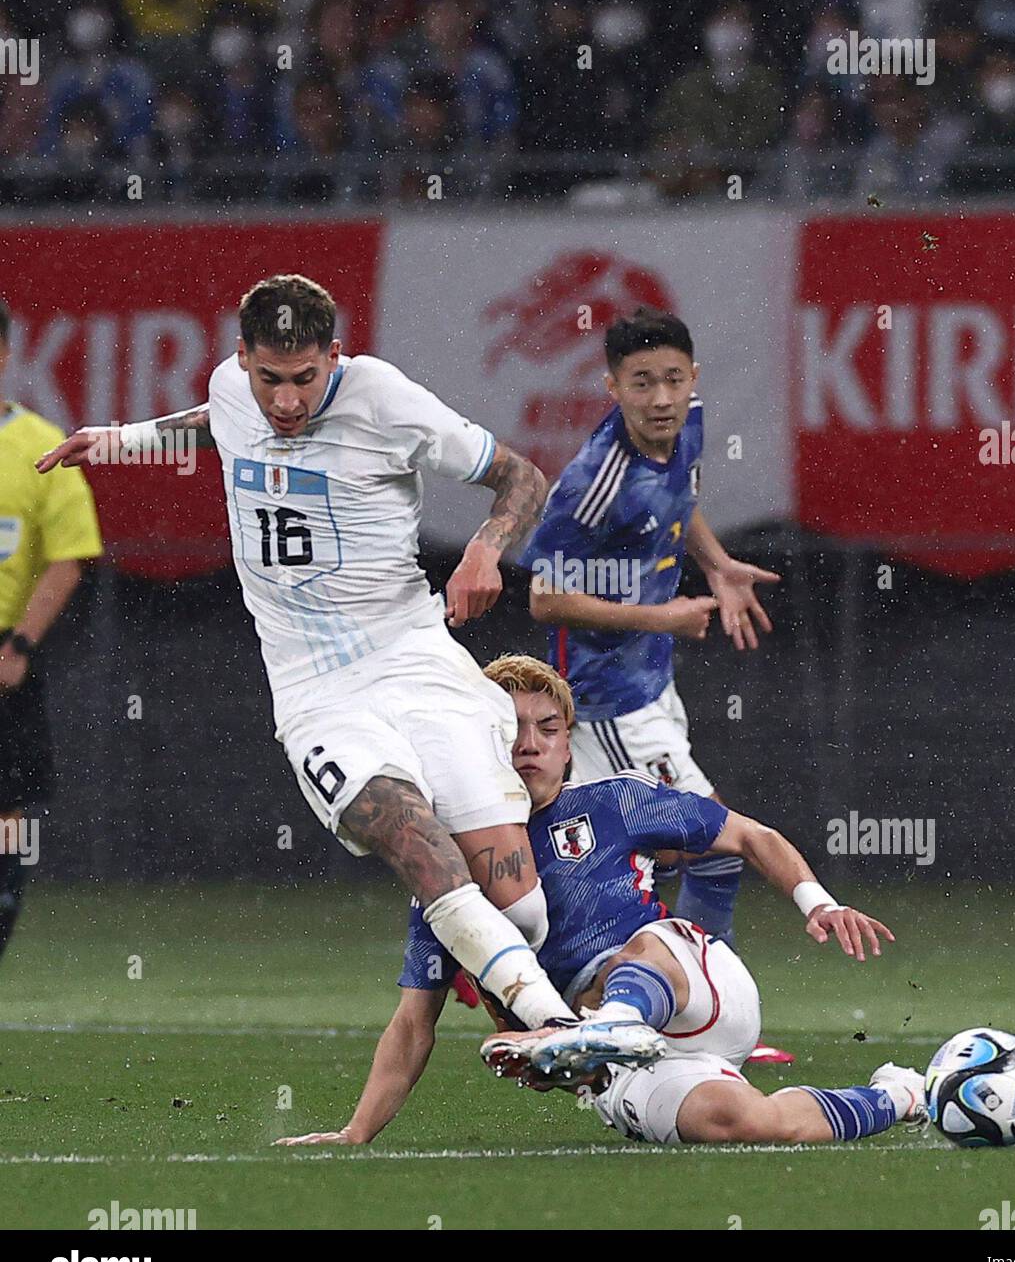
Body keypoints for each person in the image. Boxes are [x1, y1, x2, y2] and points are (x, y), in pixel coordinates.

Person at [35, 274, 654, 1070]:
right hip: (314, 691)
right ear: (241, 361)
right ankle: (554, 1026)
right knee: (410, 838)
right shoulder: (233, 389)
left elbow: (521, 477)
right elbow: (212, 422)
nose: (286, 401)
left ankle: (565, 998)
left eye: (304, 379)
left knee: (521, 907)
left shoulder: (386, 401)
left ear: (335, 355)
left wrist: (482, 549)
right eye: (269, 380)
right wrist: (120, 439)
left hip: (411, 654)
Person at [275, 655, 924, 1149]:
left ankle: (612, 1024)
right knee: (740, 1124)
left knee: (630, 957)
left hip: (693, 984)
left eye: (548, 728)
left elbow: (749, 835)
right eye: (509, 728)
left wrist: (817, 903)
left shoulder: (615, 800)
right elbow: (414, 1024)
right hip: (625, 1070)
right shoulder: (446, 878)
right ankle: (900, 1094)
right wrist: (354, 1132)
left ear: (567, 743)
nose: (528, 743)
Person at [516, 306, 790, 1064]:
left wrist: (717, 565)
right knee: (712, 845)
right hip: (602, 699)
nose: (661, 397)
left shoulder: (688, 423)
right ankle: (704, 1014)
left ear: (693, 379)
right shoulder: (592, 484)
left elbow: (679, 502)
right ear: (612, 388)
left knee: (674, 852)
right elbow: (543, 597)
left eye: (672, 379)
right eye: (641, 384)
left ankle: (638, 1011)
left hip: (648, 688)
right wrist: (660, 617)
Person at [0, 296, 103, 959]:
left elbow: (68, 561)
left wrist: (18, 646)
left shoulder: (40, 446)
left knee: (6, 813)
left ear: (7, 354)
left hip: (3, 658)